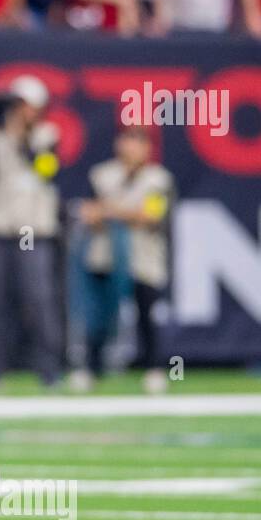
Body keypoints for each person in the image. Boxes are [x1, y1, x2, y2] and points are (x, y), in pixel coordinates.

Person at [0, 75, 63, 389]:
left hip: (33, 230)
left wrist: (22, 137)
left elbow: (45, 171)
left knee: (38, 300)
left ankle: (49, 371)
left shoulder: (48, 135)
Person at [73, 126, 174, 394]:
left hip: (144, 257)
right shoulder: (102, 175)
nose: (131, 147)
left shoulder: (158, 179)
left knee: (147, 316)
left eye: (137, 142)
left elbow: (151, 216)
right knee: (99, 315)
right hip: (105, 255)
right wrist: (117, 213)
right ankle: (91, 368)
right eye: (127, 140)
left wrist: (111, 211)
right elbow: (87, 213)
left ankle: (154, 368)